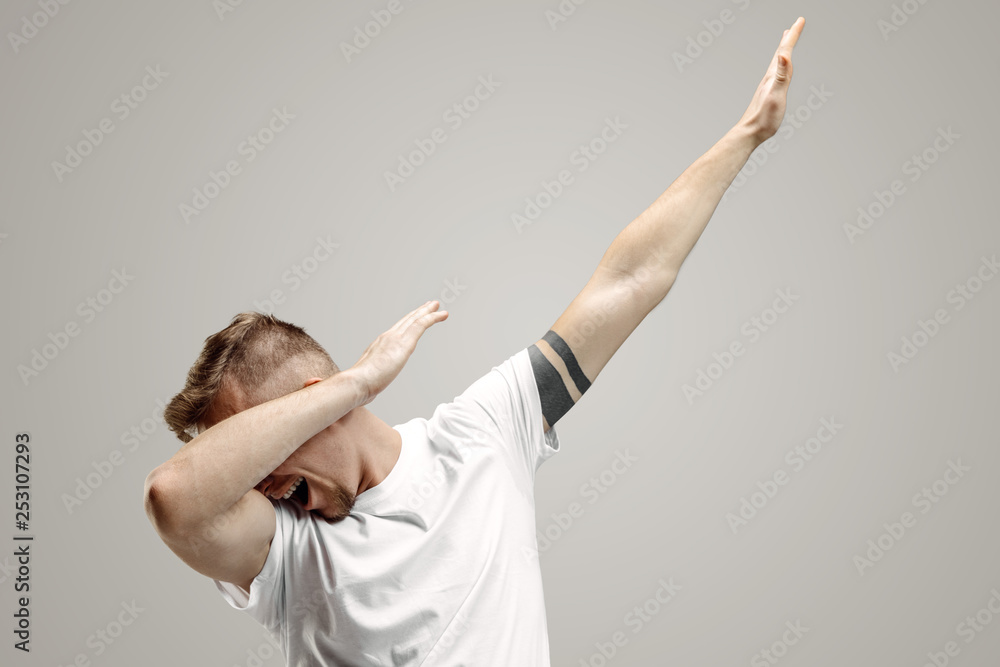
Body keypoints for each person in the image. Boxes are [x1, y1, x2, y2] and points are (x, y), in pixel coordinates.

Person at [143, 17, 805, 666]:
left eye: (263, 450)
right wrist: (359, 383)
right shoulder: (285, 551)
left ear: (307, 398)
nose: (258, 481)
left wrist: (749, 134)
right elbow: (174, 498)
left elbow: (628, 281)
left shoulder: (482, 433)